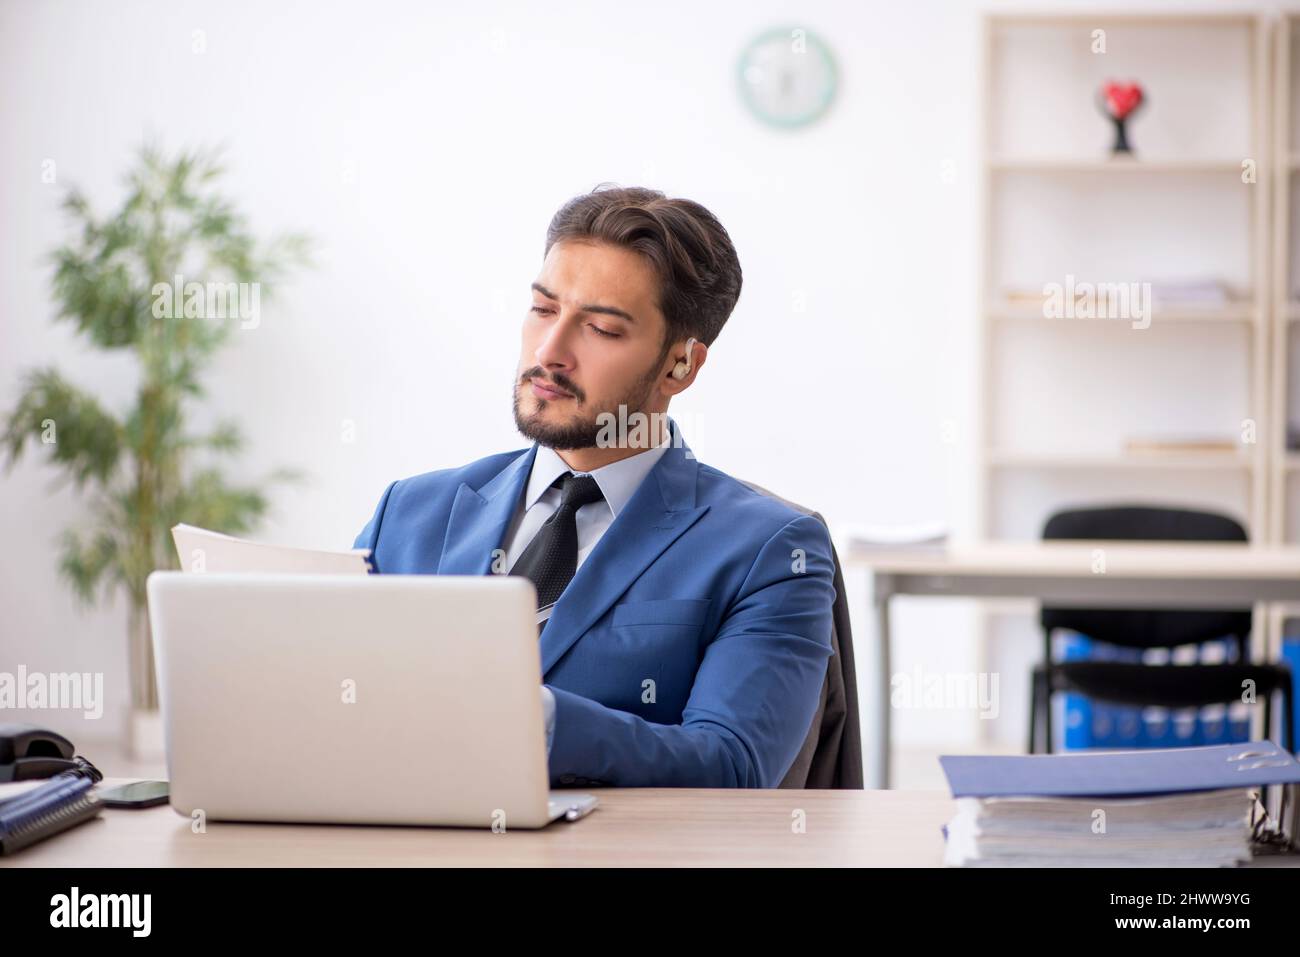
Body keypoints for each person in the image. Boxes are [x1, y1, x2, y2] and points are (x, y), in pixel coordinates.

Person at [355, 184, 836, 787]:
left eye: (602, 329)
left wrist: (528, 716)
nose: (551, 352)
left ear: (679, 365)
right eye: (543, 310)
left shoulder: (771, 548)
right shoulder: (410, 510)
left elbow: (731, 766)